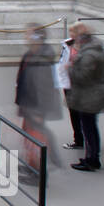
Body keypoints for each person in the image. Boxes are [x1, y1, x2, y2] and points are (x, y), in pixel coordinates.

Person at [66, 23, 104, 172]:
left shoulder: (89, 54)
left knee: (89, 128)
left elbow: (83, 76)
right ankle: (91, 156)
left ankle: (92, 159)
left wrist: (70, 69)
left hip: (90, 96)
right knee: (89, 127)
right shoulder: (92, 49)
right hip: (90, 95)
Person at [14, 29, 62, 178]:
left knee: (36, 137)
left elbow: (44, 87)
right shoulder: (32, 54)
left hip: (36, 107)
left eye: (28, 34)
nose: (25, 37)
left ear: (37, 37)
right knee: (29, 136)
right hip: (28, 104)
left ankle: (39, 174)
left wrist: (40, 112)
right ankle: (32, 166)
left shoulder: (42, 58)